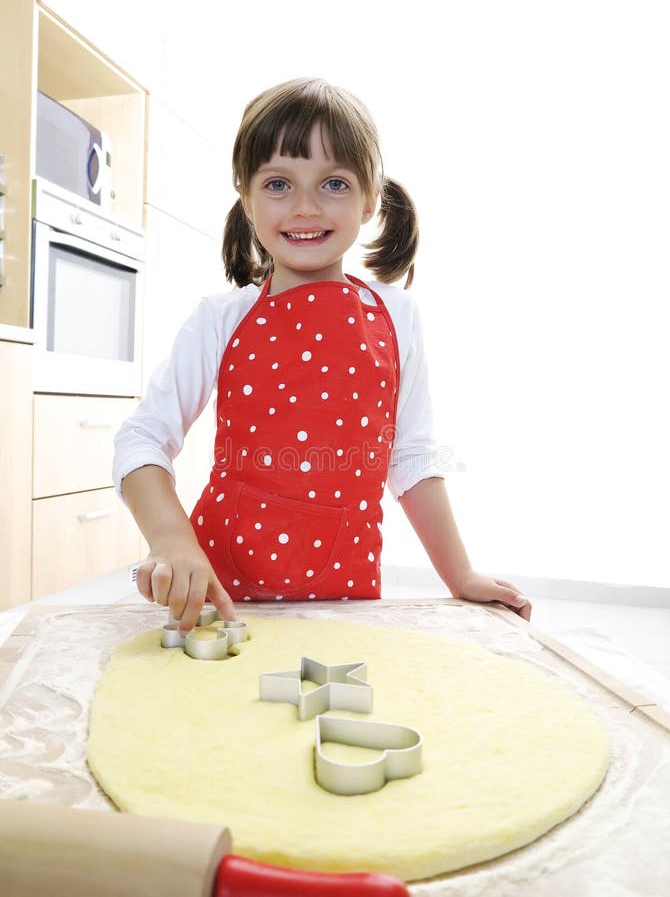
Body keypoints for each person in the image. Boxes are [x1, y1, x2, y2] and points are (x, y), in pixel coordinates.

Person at [114, 77, 532, 633]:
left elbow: (410, 458)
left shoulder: (397, 317)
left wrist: (461, 575)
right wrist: (171, 541)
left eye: (333, 183)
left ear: (370, 201)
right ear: (247, 198)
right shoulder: (219, 320)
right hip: (218, 602)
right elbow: (141, 439)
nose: (305, 207)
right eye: (279, 184)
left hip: (347, 604)